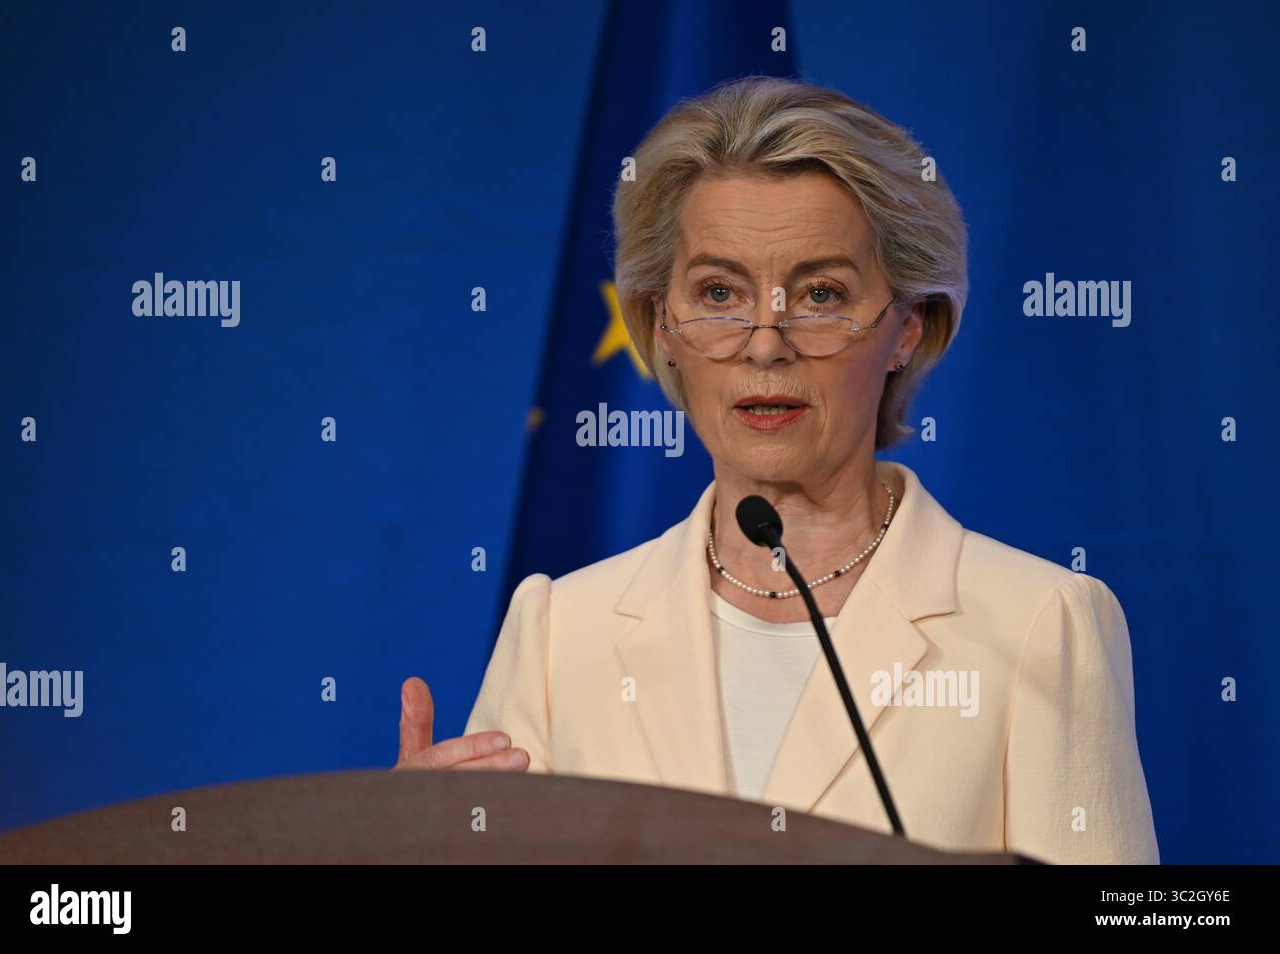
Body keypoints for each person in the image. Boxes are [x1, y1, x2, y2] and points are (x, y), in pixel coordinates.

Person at [394, 76, 1159, 864]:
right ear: (662, 325)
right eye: (719, 292)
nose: (765, 343)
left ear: (908, 326)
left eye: (821, 293)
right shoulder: (562, 635)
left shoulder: (1038, 625)